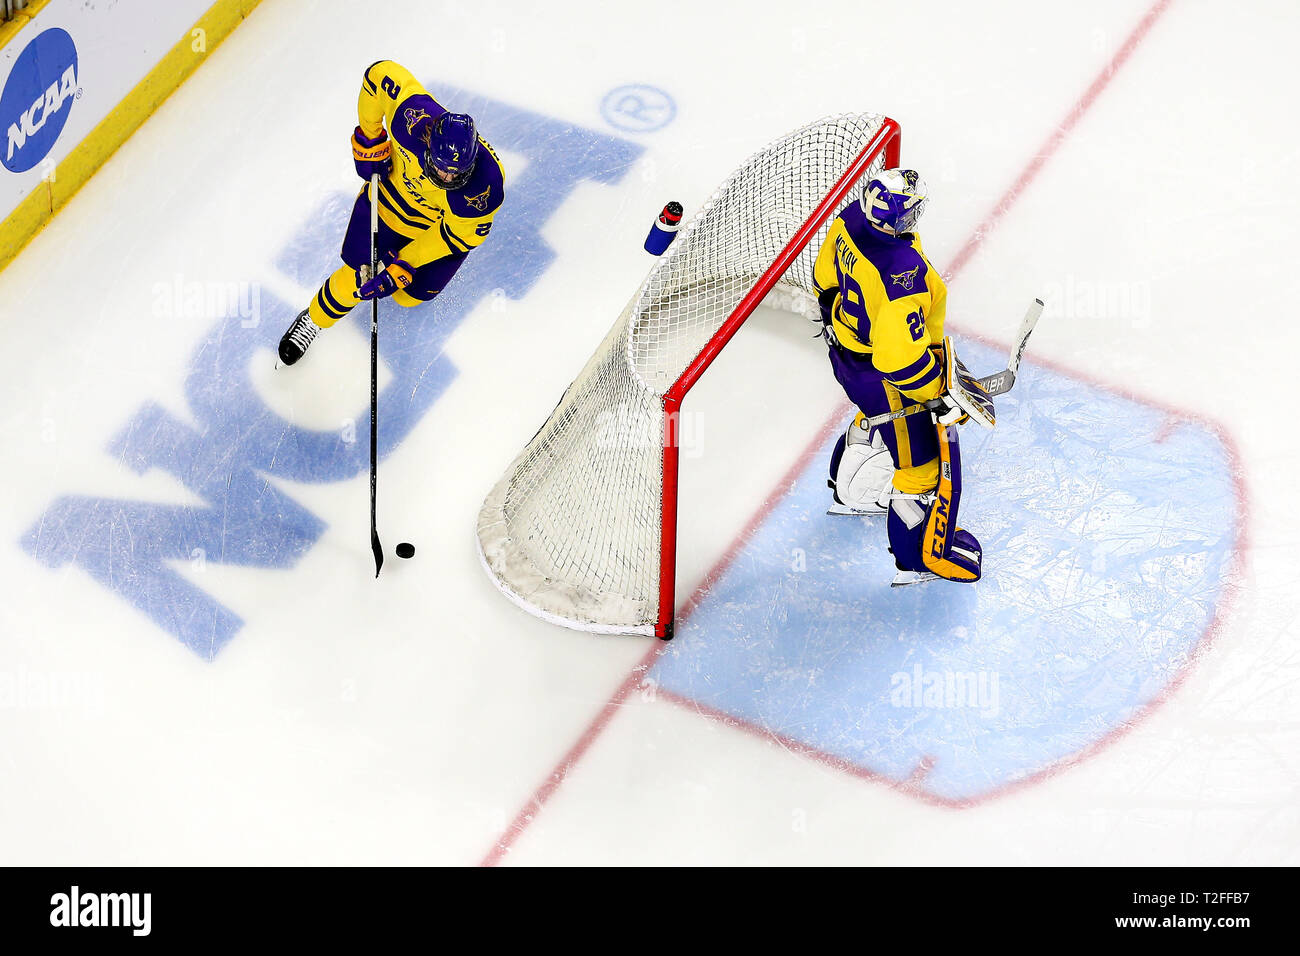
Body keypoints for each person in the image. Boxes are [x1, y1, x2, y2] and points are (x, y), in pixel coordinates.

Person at [812, 169, 991, 585]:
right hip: (884, 375)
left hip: (847, 353)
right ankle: (915, 560)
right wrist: (941, 394)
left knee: (873, 418)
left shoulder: (851, 218)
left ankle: (849, 491)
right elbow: (901, 362)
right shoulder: (900, 274)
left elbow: (824, 280)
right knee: (922, 466)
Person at [277, 60, 505, 366]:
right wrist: (369, 139)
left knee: (408, 296)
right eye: (440, 168)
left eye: (455, 174)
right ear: (428, 144)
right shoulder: (412, 119)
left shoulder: (484, 189)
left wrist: (402, 265)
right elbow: (377, 76)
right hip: (387, 199)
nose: (447, 178)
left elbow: (453, 237)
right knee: (357, 278)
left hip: (430, 228)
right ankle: (314, 318)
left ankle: (399, 278)